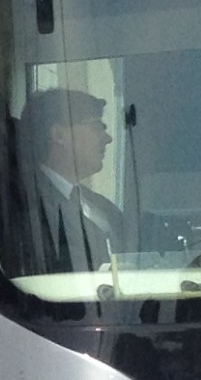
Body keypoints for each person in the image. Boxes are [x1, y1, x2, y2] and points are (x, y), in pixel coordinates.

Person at [17, 86, 129, 273]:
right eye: (96, 127)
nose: (107, 138)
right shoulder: (26, 207)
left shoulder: (103, 207)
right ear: (59, 135)